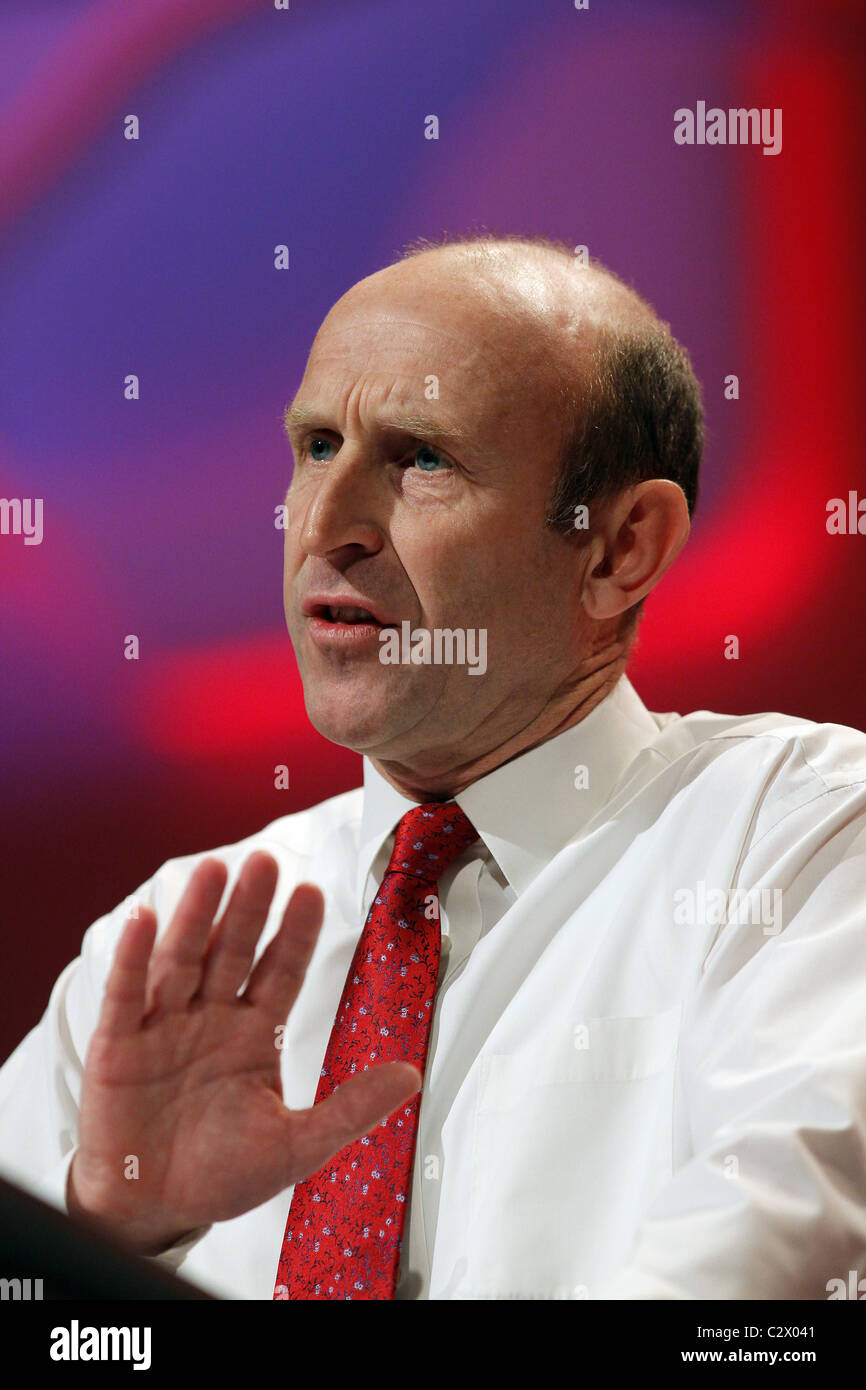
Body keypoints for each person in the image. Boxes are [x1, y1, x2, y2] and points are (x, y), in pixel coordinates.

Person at [2, 233, 866, 1301]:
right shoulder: (180, 938)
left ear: (617, 547)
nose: (324, 525)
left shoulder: (798, 840)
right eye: (316, 445)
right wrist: (109, 1230)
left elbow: (761, 1276)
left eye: (421, 458)